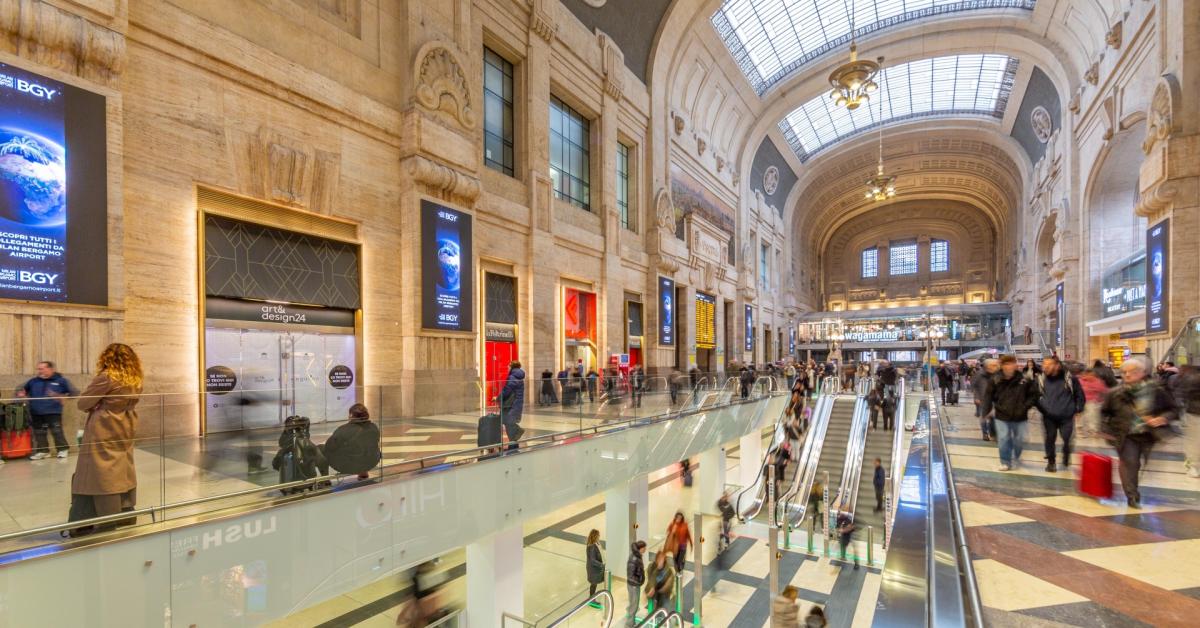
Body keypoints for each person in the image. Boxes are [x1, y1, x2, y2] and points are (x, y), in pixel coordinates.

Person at [72, 343, 143, 522]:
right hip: (126, 425)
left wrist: (98, 404)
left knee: (101, 470)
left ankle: (104, 515)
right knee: (122, 467)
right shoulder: (135, 379)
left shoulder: (107, 377)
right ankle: (125, 509)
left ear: (108, 358)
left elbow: (82, 403)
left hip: (104, 426)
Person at [1099, 358, 1180, 508]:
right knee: (1130, 463)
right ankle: (1131, 495)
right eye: (1124, 372)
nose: (1128, 375)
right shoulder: (1115, 393)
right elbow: (1104, 413)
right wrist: (1107, 431)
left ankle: (1132, 490)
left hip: (1149, 434)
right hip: (1126, 434)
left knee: (1139, 464)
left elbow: (1174, 410)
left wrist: (1163, 418)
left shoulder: (1156, 390)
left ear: (1142, 373)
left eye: (1133, 372)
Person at [980, 355, 1039, 471]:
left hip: (1020, 416)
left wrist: (1025, 406)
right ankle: (1005, 461)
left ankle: (1015, 457)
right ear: (1002, 366)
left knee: (1019, 440)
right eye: (1006, 364)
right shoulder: (995, 379)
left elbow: (1034, 394)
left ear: (1015, 365)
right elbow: (988, 396)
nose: (1010, 366)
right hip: (1002, 415)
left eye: (1012, 363)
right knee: (1003, 439)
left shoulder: (1024, 379)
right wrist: (985, 412)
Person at [1035, 356, 1085, 472]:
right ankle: (1051, 462)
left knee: (1067, 439)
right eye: (1044, 364)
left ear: (1057, 366)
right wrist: (1042, 408)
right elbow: (1035, 396)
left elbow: (1079, 395)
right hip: (1048, 416)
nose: (1045, 367)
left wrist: (1078, 409)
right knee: (1049, 439)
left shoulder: (1070, 378)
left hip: (1066, 416)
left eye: (1049, 364)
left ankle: (1066, 453)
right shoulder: (1040, 379)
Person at [21, 360, 78, 459]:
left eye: (42, 369)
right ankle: (43, 451)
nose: (39, 371)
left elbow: (74, 392)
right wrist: (21, 394)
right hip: (36, 412)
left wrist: (61, 396)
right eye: (38, 369)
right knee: (39, 432)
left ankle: (62, 449)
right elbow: (24, 391)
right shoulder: (33, 381)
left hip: (53, 411)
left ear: (50, 369)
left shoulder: (61, 380)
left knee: (56, 431)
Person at [322, 403, 381, 478]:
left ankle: (325, 480)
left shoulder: (343, 430)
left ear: (351, 415)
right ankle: (363, 473)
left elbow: (330, 447)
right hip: (372, 461)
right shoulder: (373, 427)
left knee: (322, 449)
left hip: (351, 465)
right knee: (362, 447)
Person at [1176, 365, 1200, 479]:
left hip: (1194, 413)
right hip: (1194, 412)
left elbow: (1184, 395)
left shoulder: (1192, 378)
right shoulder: (1194, 379)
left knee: (1193, 442)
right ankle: (1194, 466)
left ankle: (1194, 467)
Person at [499, 361, 525, 449]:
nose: (507, 367)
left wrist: (498, 397)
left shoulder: (512, 377)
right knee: (509, 422)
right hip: (516, 404)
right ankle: (513, 444)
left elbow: (507, 391)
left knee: (509, 423)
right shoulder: (518, 376)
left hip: (512, 405)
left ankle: (514, 443)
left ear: (512, 367)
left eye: (508, 366)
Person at [1078, 366, 1109, 438]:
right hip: (1082, 401)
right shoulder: (1080, 381)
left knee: (1092, 416)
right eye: (1088, 374)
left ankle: (1093, 431)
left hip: (1092, 402)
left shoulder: (1098, 381)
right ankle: (1083, 431)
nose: (1090, 376)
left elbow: (1104, 391)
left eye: (1092, 375)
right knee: (1083, 417)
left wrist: (1100, 399)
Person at [972, 359, 998, 441]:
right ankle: (985, 433)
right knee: (984, 417)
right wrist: (976, 397)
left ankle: (993, 433)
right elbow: (974, 386)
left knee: (993, 417)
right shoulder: (979, 374)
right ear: (987, 366)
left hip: (994, 399)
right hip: (982, 399)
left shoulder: (997, 374)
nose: (995, 367)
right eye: (993, 365)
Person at [625, 541, 647, 626]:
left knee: (633, 604)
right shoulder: (634, 558)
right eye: (644, 548)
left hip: (634, 585)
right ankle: (629, 624)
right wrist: (638, 582)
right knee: (634, 605)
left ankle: (631, 621)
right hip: (633, 585)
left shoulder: (637, 556)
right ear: (640, 548)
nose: (645, 549)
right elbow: (631, 575)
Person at [585, 529, 605, 596]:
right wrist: (601, 565)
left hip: (595, 569)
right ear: (595, 536)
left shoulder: (596, 543)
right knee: (593, 584)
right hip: (593, 569)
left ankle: (592, 597)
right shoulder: (592, 546)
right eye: (598, 535)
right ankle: (591, 598)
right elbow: (593, 560)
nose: (599, 536)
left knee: (594, 584)